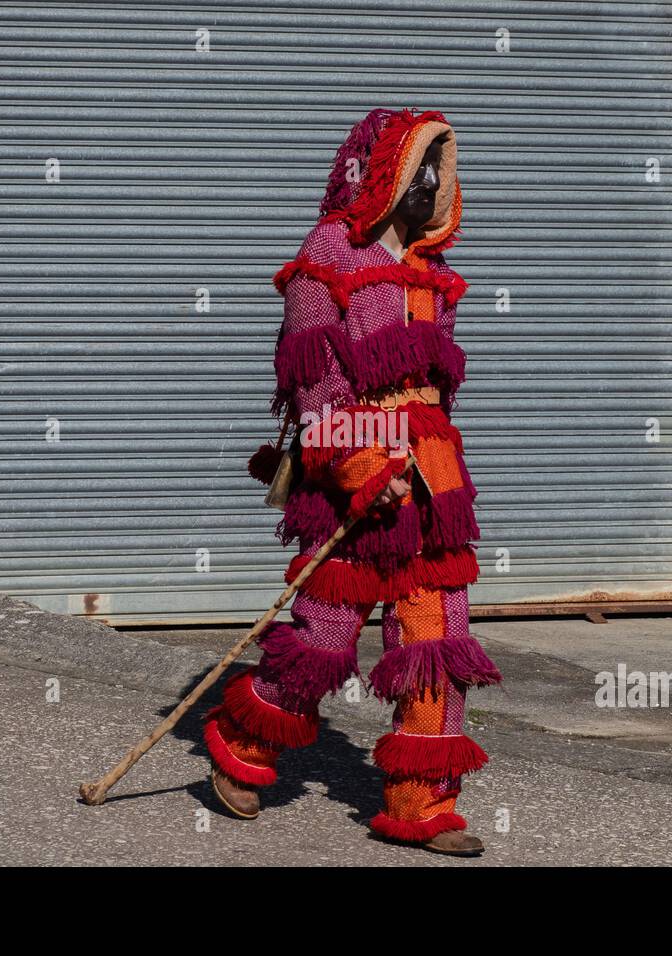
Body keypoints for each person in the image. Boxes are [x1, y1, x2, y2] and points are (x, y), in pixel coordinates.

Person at [203, 107, 500, 856]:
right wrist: (367, 465)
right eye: (417, 166)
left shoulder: (432, 272)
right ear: (379, 171)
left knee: (435, 640)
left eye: (441, 169)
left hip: (433, 487)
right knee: (327, 639)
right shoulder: (324, 257)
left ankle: (420, 806)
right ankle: (244, 735)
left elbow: (434, 387)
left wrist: (429, 470)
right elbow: (316, 389)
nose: (429, 185)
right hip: (348, 475)